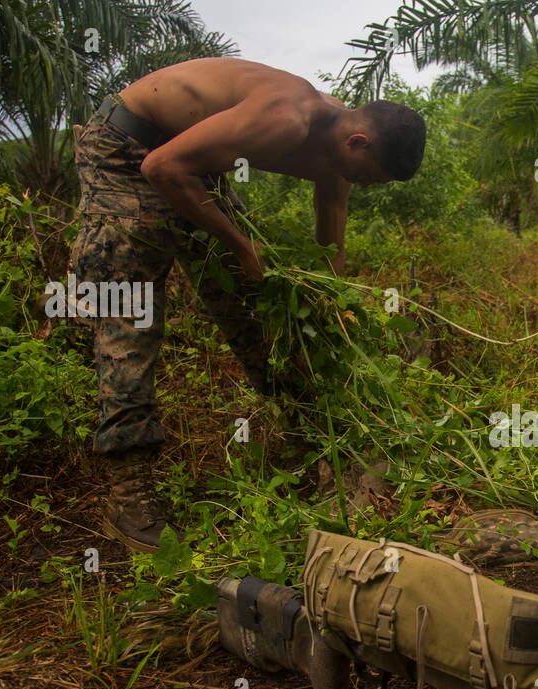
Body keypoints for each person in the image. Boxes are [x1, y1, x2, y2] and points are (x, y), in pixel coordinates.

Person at [69, 57, 426, 554]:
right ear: (358, 143)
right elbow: (160, 167)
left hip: (192, 161)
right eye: (372, 178)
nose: (366, 186)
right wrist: (240, 245)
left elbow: (332, 223)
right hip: (130, 150)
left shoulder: (341, 142)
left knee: (263, 303)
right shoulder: (287, 118)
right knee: (132, 315)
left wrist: (329, 303)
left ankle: (313, 447)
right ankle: (129, 497)